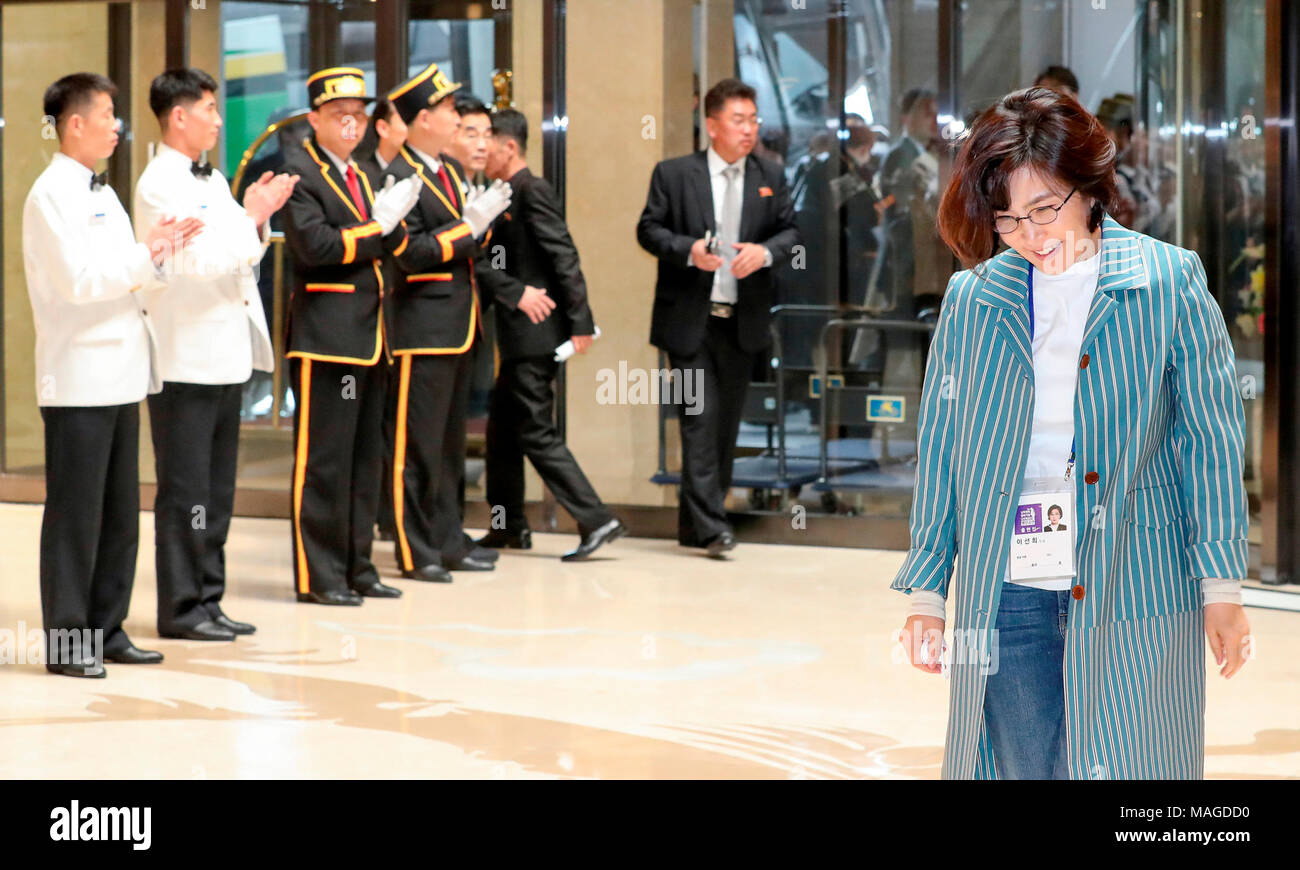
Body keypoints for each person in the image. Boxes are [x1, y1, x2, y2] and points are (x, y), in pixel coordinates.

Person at [895, 87, 1251, 779]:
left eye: (1044, 209)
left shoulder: (1168, 282)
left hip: (1136, 577)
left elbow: (1208, 441)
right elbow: (944, 449)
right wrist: (927, 593)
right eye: (1008, 220)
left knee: (1130, 765)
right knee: (1023, 766)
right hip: (1008, 588)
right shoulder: (975, 299)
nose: (1030, 236)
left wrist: (1222, 590)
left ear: (1089, 188)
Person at [23, 72, 203, 676]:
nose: (117, 126)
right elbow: (78, 281)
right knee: (76, 517)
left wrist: (161, 255)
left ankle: (107, 627)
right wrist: (145, 254)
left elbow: (128, 273)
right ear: (76, 124)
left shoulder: (103, 192)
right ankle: (69, 643)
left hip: (122, 372)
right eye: (107, 114)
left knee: (119, 513)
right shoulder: (50, 194)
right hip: (78, 375)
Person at [134, 67, 296, 641]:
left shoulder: (213, 181)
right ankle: (180, 607)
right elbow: (194, 262)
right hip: (185, 355)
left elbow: (241, 252)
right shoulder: (159, 184)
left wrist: (252, 215)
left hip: (225, 351)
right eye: (208, 107)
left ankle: (209, 598)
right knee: (186, 492)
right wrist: (250, 218)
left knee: (218, 489)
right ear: (178, 116)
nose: (218, 120)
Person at [636, 78, 799, 557]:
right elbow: (649, 230)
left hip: (741, 321)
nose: (749, 130)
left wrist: (765, 254)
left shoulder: (771, 174)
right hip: (690, 322)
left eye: (754, 120)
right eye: (739, 120)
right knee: (698, 419)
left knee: (725, 425)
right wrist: (688, 251)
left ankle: (696, 524)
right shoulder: (673, 173)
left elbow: (792, 232)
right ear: (712, 125)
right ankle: (713, 526)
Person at [281, 66, 421, 605]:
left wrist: (396, 221)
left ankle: (358, 566)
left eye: (359, 117)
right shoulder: (300, 173)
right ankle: (319, 576)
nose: (352, 125)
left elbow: (387, 243)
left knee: (367, 459)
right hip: (326, 338)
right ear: (315, 118)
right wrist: (376, 229)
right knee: (324, 462)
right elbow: (317, 248)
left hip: (370, 335)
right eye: (341, 116)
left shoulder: (359, 175)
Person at [475, 108, 627, 560]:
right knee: (502, 435)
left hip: (536, 334)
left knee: (536, 432)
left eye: (489, 142)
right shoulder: (502, 194)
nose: (482, 152)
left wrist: (581, 322)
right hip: (517, 335)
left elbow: (564, 255)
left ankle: (597, 519)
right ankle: (508, 526)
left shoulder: (531, 190)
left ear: (510, 147)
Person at [384, 62, 512, 582]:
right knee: (415, 447)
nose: (455, 116)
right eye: (445, 109)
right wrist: (468, 228)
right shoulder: (400, 176)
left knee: (448, 446)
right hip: (422, 326)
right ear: (420, 120)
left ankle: (448, 537)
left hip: (458, 323)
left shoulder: (447, 171)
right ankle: (415, 549)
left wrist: (474, 229)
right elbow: (409, 252)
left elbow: (463, 245)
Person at [355, 97, 407, 544]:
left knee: (385, 428)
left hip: (394, 313)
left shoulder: (412, 174)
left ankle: (389, 515)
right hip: (359, 315)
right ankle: (378, 517)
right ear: (384, 128)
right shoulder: (361, 173)